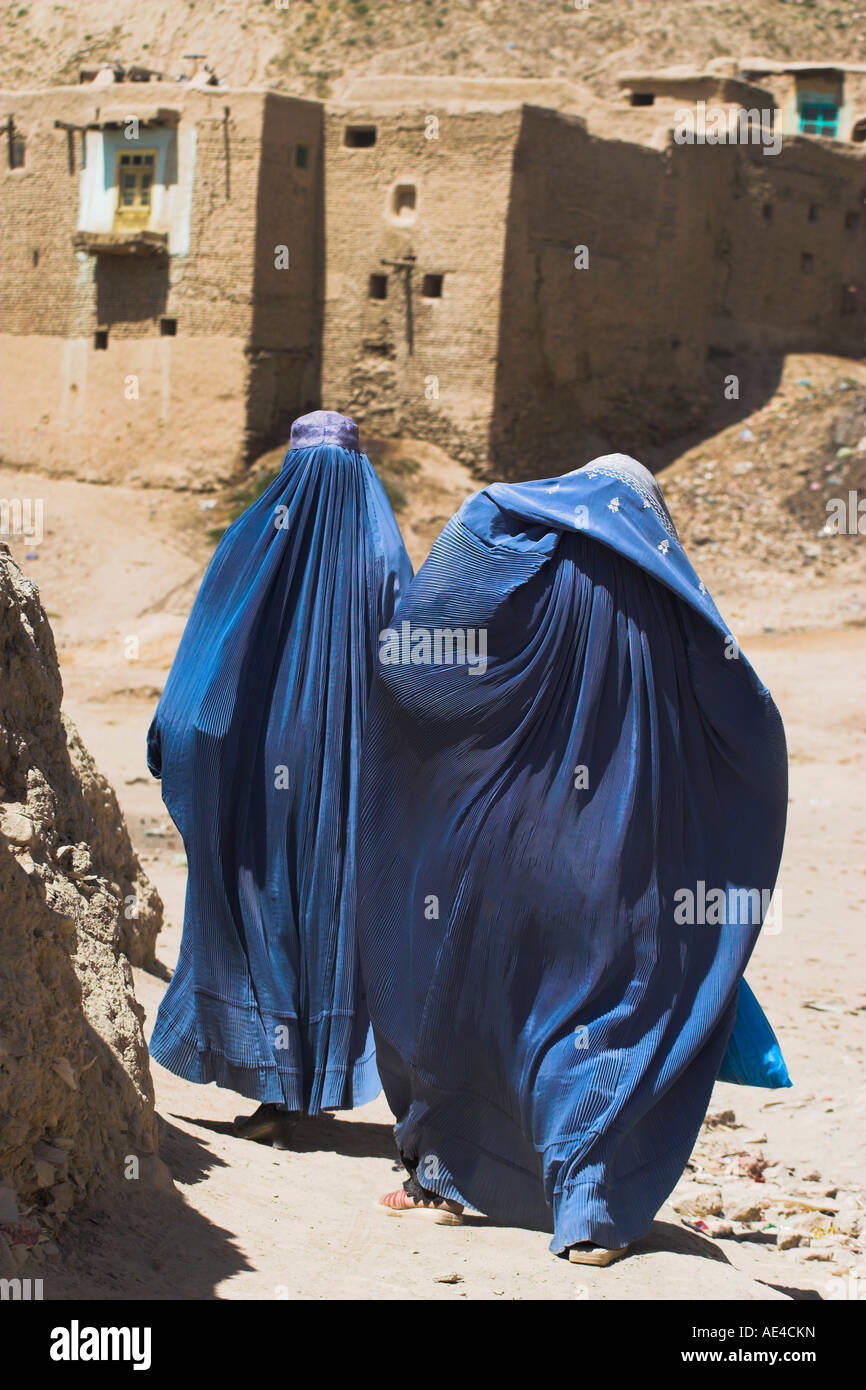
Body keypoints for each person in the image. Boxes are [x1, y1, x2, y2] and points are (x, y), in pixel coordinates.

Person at [356, 453, 789, 1264]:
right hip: (623, 864)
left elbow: (420, 651)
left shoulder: (531, 557)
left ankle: (445, 1179)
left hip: (506, 850)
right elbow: (751, 731)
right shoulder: (678, 605)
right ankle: (587, 1210)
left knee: (486, 1004)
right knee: (603, 1024)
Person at [146, 410, 412, 1145]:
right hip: (348, 779)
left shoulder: (256, 540)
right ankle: (310, 1088)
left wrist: (187, 748)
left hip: (257, 770)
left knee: (262, 908)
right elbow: (416, 673)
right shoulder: (379, 551)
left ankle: (273, 1090)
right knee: (328, 915)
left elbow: (202, 669)